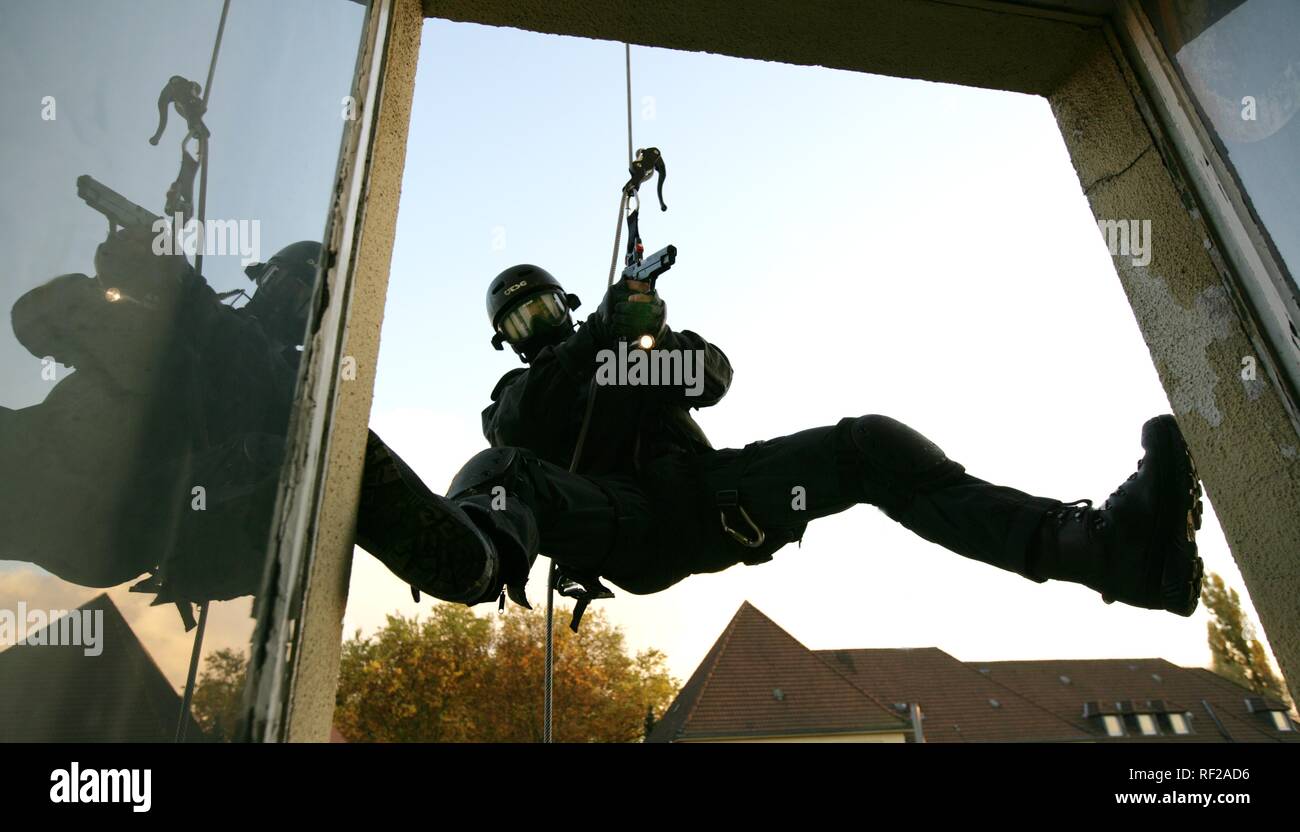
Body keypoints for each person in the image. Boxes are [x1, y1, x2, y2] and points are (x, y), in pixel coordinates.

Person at [356, 264, 1205, 617]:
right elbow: (525, 427)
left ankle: (1106, 553)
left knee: (869, 445)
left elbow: (714, 379)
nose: (535, 325)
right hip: (625, 526)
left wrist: (648, 339)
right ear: (508, 342)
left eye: (544, 308)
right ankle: (466, 557)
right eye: (519, 320)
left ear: (567, 304)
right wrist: (595, 343)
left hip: (710, 497)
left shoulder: (612, 355)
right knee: (505, 473)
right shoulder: (519, 393)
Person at [1, 230, 319, 606]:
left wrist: (183, 287)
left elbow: (249, 363)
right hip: (47, 454)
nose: (276, 300)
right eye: (275, 281)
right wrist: (106, 280)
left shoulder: (289, 376)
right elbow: (33, 320)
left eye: (295, 296)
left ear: (311, 318)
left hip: (123, 510)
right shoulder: (193, 316)